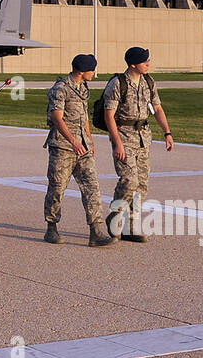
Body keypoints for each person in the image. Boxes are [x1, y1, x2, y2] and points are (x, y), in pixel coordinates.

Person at [102, 46, 174, 243]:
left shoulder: (149, 82)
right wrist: (117, 143)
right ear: (133, 64)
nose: (148, 64)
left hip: (143, 137)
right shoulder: (118, 84)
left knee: (141, 185)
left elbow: (157, 108)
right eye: (144, 61)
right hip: (123, 136)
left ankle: (128, 226)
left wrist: (167, 132)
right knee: (128, 180)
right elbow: (109, 115)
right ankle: (115, 214)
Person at [44, 54, 114, 247]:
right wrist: (73, 141)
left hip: (83, 148)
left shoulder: (83, 87)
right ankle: (51, 227)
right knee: (57, 188)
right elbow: (57, 118)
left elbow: (84, 118)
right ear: (82, 71)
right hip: (63, 147)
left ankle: (96, 230)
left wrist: (89, 141)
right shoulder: (61, 88)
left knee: (92, 187)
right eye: (92, 69)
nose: (94, 72)